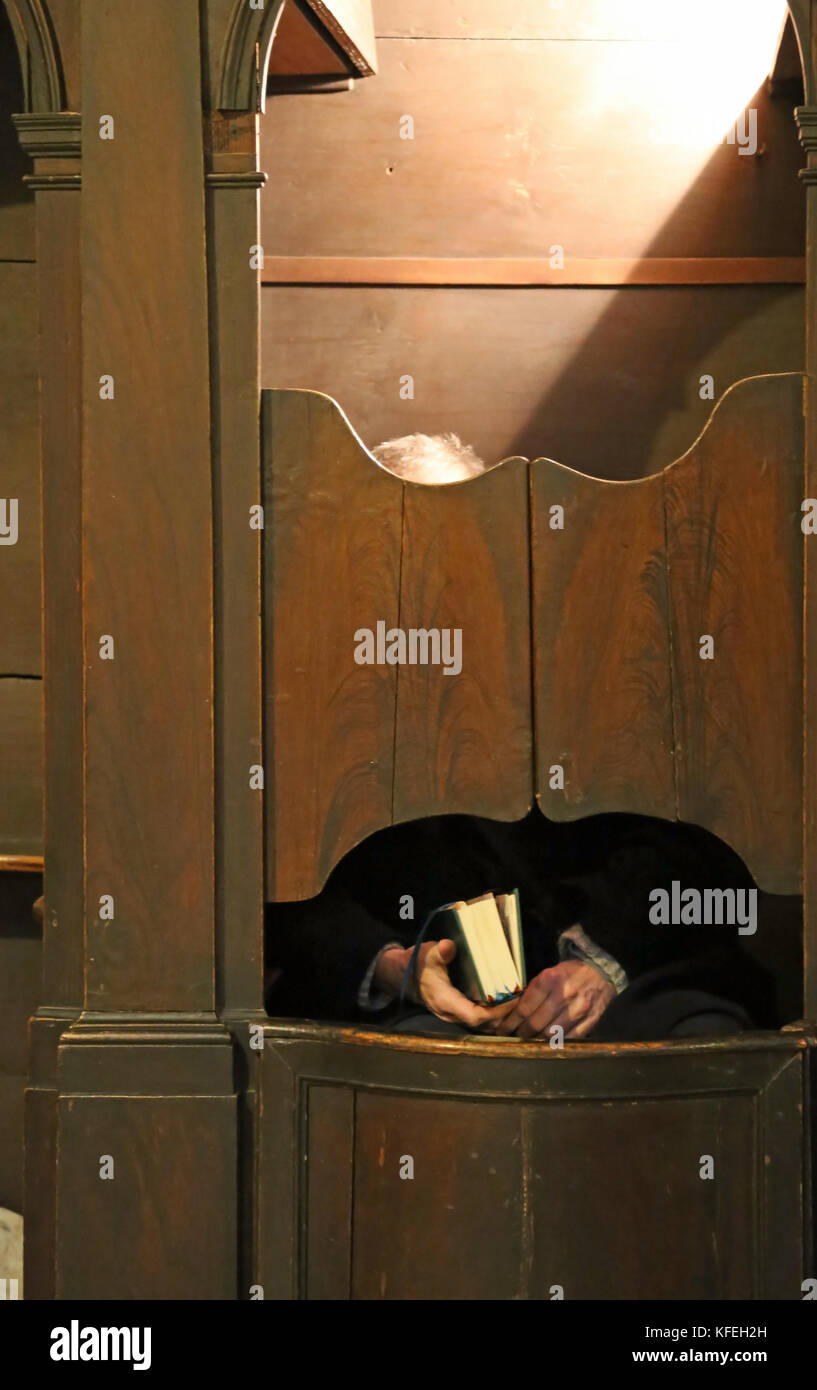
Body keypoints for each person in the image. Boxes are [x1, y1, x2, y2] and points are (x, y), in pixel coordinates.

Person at [264, 808, 776, 1043]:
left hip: (642, 960)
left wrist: (603, 957)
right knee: (418, 1068)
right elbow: (281, 897)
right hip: (414, 983)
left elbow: (723, 864)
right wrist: (393, 966)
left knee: (704, 1050)